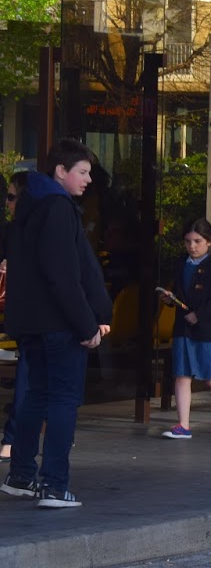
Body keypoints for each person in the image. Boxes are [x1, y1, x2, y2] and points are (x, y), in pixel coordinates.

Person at [3, 139, 112, 509]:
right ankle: (53, 485)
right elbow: (64, 275)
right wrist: (88, 326)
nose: (88, 179)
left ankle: (20, 476)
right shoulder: (58, 209)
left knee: (36, 395)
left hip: (31, 323)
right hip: (59, 324)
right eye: (82, 172)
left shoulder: (28, 208)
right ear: (61, 172)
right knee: (64, 399)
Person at [158, 220, 211, 440]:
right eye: (188, 241)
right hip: (185, 325)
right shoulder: (181, 263)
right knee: (182, 374)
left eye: (198, 241)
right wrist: (169, 299)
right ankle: (183, 425)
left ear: (209, 242)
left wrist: (200, 314)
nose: (192, 246)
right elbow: (180, 292)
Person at [1, 170, 30, 463]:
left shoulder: (25, 231)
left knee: (30, 372)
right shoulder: (12, 230)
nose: (6, 204)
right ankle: (13, 437)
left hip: (28, 315)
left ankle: (13, 437)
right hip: (19, 313)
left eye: (10, 197)